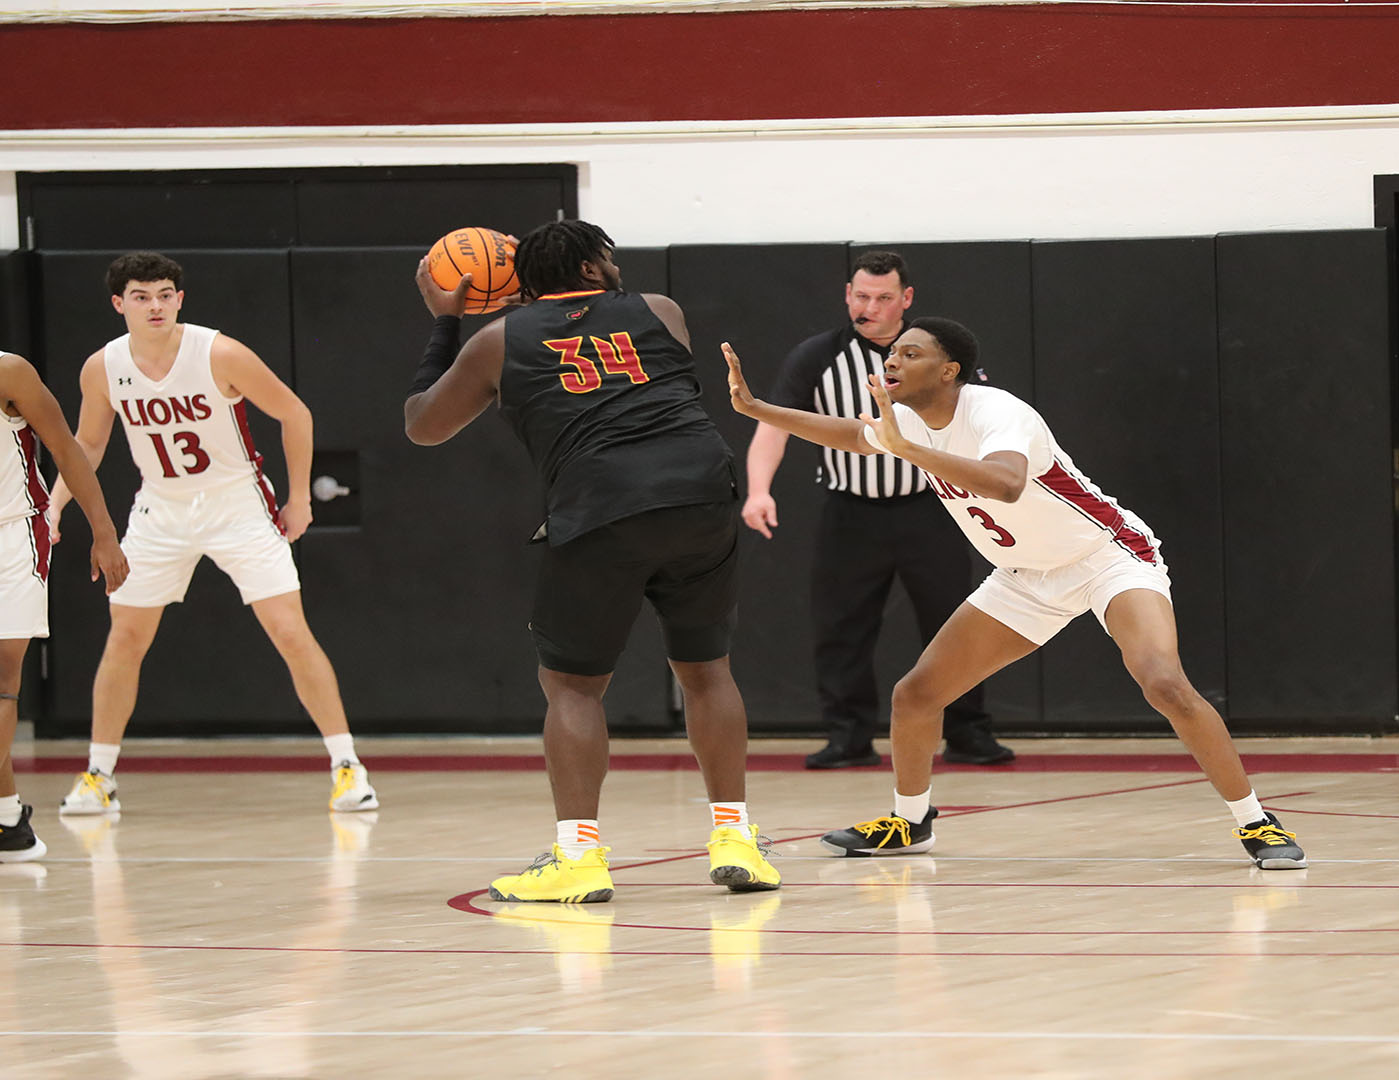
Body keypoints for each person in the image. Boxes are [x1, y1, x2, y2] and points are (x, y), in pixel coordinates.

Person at [722, 317, 1307, 869]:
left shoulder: (998, 411)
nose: (892, 360)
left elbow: (1005, 484)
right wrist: (758, 409)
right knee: (916, 695)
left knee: (1163, 682)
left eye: (910, 353)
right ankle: (911, 822)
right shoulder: (908, 422)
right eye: (892, 352)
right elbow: (853, 434)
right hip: (1025, 576)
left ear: (948, 370)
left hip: (1107, 556)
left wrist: (906, 450)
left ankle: (1256, 822)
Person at [405, 219, 779, 901]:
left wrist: (447, 322)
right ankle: (735, 838)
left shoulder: (498, 341)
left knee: (573, 688)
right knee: (707, 671)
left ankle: (578, 857)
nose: (617, 267)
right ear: (592, 267)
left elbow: (423, 425)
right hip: (701, 493)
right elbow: (608, 335)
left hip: (600, 502)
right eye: (608, 258)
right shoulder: (661, 310)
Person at [46, 252, 378, 817]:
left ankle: (347, 766)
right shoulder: (102, 367)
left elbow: (295, 413)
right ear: (119, 303)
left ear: (179, 299)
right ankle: (99, 775)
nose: (155, 306)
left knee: (289, 631)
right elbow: (89, 444)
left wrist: (299, 498)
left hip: (237, 504)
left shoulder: (219, 352)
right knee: (125, 639)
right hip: (160, 508)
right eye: (142, 296)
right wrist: (54, 505)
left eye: (165, 295)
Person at [744, 252, 1012, 769]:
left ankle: (968, 731)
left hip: (930, 509)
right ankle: (848, 737)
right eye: (861, 296)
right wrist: (759, 490)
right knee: (841, 627)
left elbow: (978, 416)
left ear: (906, 299)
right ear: (847, 295)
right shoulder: (816, 356)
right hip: (851, 512)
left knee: (956, 622)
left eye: (883, 297)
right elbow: (776, 425)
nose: (869, 307)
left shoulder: (936, 353)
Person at [0, 349, 129, 862]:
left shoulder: (10, 371)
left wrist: (104, 531)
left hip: (12, 535)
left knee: (3, 674)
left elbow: (66, 449)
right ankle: (8, 821)